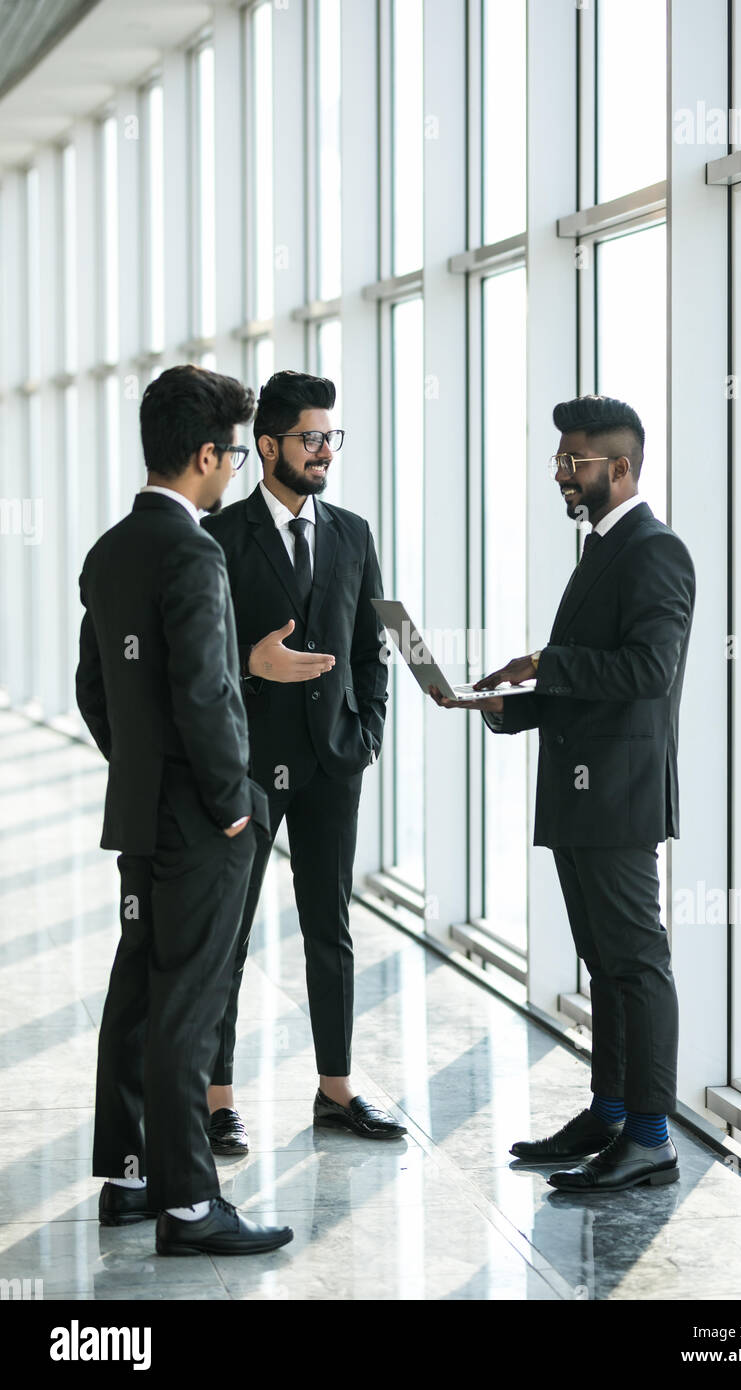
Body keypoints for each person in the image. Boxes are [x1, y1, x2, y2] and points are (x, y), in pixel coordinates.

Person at [431, 394, 696, 1194]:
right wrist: (501, 706)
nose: (561, 475)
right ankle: (611, 1114)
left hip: (618, 797)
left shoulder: (655, 551)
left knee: (636, 965)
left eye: (572, 462)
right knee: (606, 965)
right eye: (559, 461)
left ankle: (650, 1138)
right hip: (584, 795)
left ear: (619, 467)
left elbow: (649, 673)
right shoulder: (601, 552)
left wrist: (546, 662)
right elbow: (588, 676)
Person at [76, 364, 297, 1255]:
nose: (235, 471)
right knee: (189, 1004)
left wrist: (140, 772)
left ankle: (130, 1177)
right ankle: (191, 1207)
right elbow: (207, 691)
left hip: (138, 811)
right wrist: (228, 801)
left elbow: (96, 691)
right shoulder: (194, 550)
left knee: (138, 991)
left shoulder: (109, 549)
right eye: (237, 456)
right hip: (198, 821)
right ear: (206, 455)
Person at [201, 370, 406, 1151]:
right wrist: (252, 666)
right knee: (232, 929)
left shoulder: (353, 533)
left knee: (332, 924)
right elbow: (199, 660)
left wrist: (369, 731)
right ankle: (218, 1096)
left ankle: (336, 1087)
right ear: (267, 447)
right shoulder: (220, 539)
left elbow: (371, 647)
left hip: (333, 760)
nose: (324, 451)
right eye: (310, 438)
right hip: (247, 764)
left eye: (331, 437)